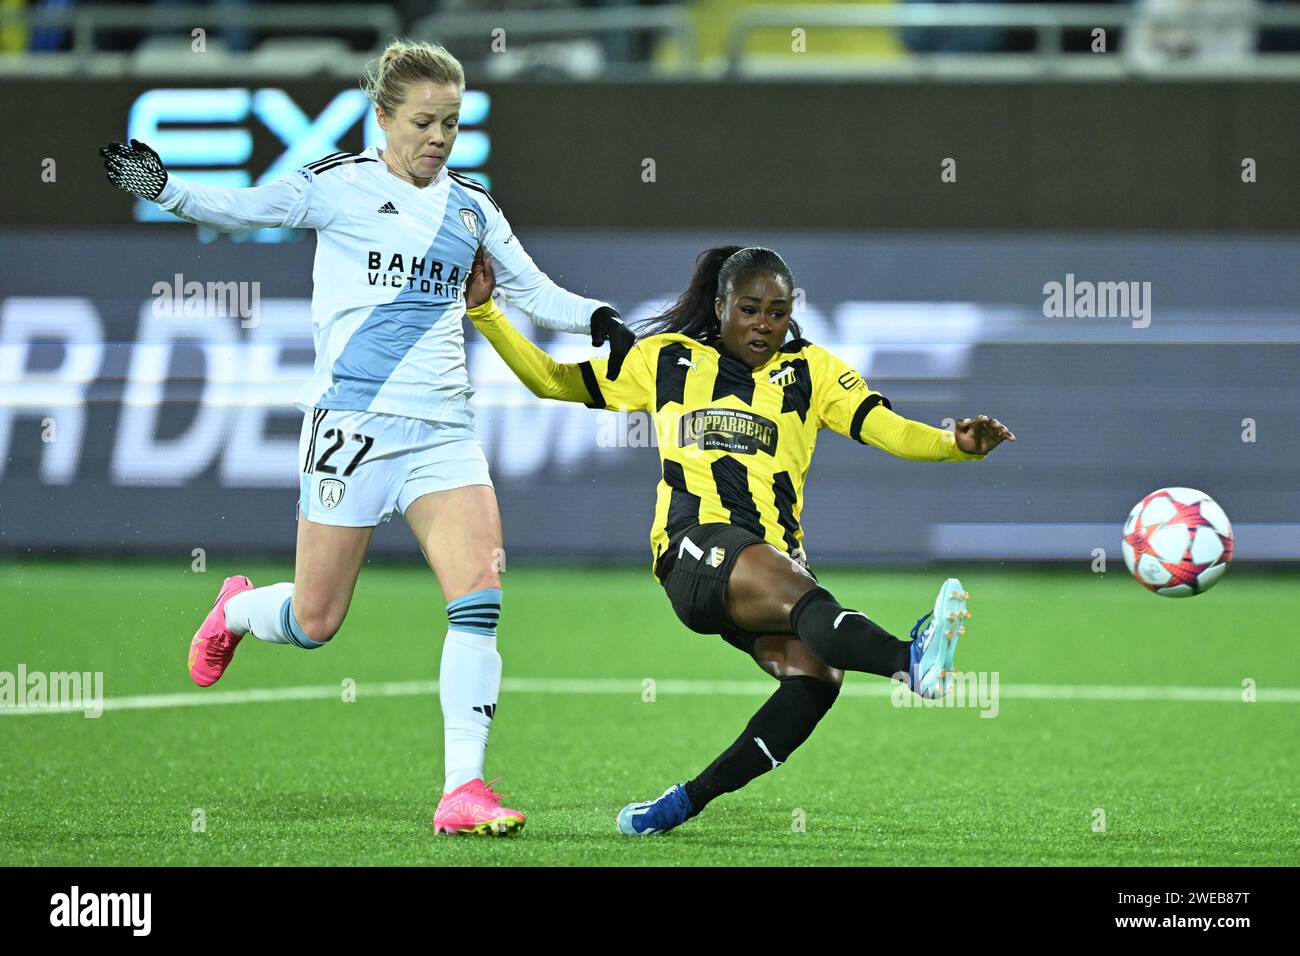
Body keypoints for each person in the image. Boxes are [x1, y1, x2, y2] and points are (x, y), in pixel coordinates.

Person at [98, 39, 635, 836]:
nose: (439, 138)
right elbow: (246, 208)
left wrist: (600, 322)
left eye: (451, 123)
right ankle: (237, 612)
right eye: (423, 121)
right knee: (316, 622)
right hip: (351, 427)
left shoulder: (472, 208)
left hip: (443, 433)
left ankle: (464, 789)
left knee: (479, 601)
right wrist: (167, 188)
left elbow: (533, 288)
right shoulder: (338, 188)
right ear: (381, 116)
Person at [463, 243, 1015, 834]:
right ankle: (911, 662)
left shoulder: (814, 371)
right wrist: (487, 313)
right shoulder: (668, 360)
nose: (763, 324)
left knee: (817, 679)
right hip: (691, 550)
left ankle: (682, 803)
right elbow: (552, 381)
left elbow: (889, 429)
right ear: (721, 304)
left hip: (766, 567)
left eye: (777, 312)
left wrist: (953, 444)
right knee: (796, 594)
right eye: (749, 309)